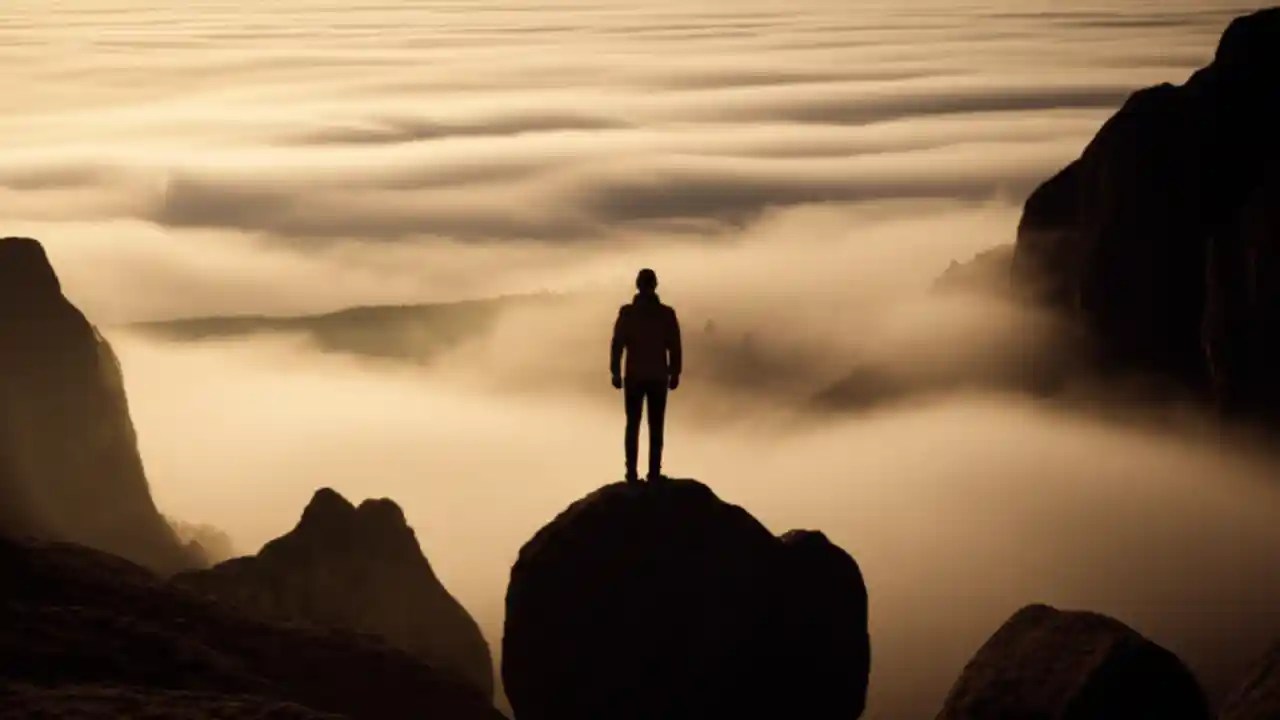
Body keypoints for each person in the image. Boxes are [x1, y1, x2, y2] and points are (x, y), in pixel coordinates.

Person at [610, 268, 682, 483]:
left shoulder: (628, 313)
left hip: (634, 376)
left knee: (633, 425)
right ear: (655, 285)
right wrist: (675, 372)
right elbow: (675, 346)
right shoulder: (666, 314)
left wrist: (615, 372)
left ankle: (632, 474)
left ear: (638, 285)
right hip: (657, 376)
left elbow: (617, 345)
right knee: (656, 427)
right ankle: (654, 474)